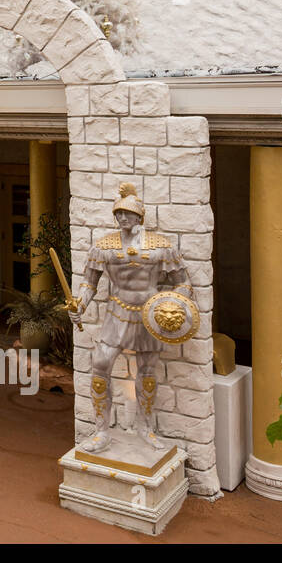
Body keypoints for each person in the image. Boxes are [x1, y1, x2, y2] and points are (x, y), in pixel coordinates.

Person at [72, 183, 193, 453]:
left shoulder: (161, 246)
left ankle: (146, 427)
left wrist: (171, 307)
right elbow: (89, 283)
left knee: (148, 372)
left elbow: (183, 283)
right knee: (101, 364)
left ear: (140, 216)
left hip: (150, 314)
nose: (122, 218)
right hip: (117, 311)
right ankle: (101, 430)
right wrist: (80, 303)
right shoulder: (103, 246)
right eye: (118, 214)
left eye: (127, 213)